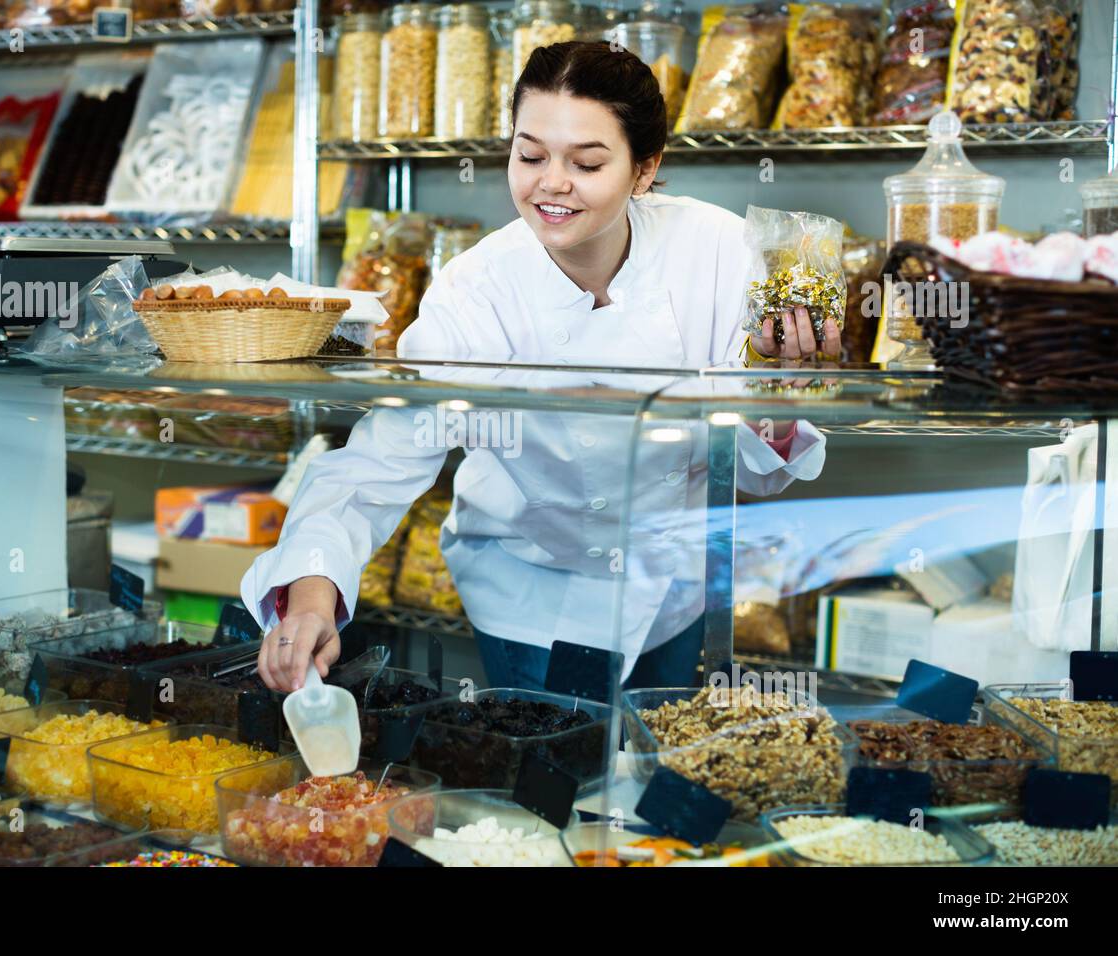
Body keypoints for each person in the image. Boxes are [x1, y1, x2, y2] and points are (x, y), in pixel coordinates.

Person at [245, 41, 838, 694]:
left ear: (645, 169)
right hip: (529, 588)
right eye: (529, 156)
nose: (551, 183)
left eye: (586, 162)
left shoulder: (721, 251)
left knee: (643, 774)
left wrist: (781, 400)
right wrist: (309, 595)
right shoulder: (475, 292)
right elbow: (376, 465)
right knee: (551, 777)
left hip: (670, 586)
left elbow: (754, 472)